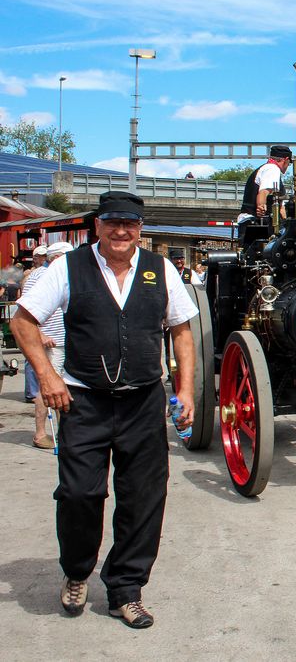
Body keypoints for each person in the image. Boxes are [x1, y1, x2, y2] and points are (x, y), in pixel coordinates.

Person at [10, 191, 198, 629]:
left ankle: (126, 590)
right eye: (112, 222)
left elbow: (182, 332)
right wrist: (50, 378)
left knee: (144, 498)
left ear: (140, 229)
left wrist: (185, 391)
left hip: (143, 400)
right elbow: (23, 321)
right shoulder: (68, 267)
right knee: (79, 494)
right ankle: (77, 572)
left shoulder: (160, 269)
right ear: (98, 225)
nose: (120, 231)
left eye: (129, 224)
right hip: (84, 400)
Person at [20, 242, 73, 450]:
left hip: (63, 339)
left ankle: (63, 430)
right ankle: (41, 433)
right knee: (47, 385)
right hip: (51, 339)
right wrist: (40, 334)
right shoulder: (40, 276)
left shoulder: (60, 273)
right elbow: (24, 310)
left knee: (61, 383)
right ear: (57, 257)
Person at [236, 145, 292, 243]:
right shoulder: (272, 169)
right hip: (258, 225)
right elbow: (264, 192)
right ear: (286, 159)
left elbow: (281, 208)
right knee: (261, 256)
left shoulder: (265, 168)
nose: (288, 167)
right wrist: (261, 207)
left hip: (251, 223)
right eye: (289, 164)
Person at [20, 246, 49, 403]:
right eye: (41, 256)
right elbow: (25, 303)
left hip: (50, 327)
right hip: (37, 323)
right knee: (32, 357)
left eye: (45, 256)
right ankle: (32, 392)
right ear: (35, 257)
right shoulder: (32, 276)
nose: (43, 259)